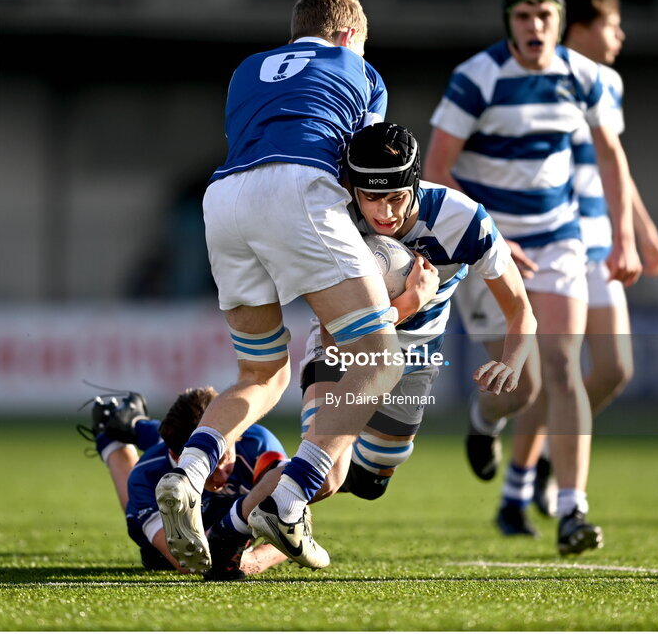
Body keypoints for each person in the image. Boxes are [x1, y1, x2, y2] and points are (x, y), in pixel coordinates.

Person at [186, 123, 536, 575]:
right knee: (326, 473)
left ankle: (269, 506)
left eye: (396, 198)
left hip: (417, 356)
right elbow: (341, 332)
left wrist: (512, 361)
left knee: (370, 481)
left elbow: (521, 310)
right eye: (372, 198)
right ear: (353, 188)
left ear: (415, 185)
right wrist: (410, 301)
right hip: (340, 345)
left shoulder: (464, 221)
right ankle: (228, 535)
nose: (384, 214)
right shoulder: (332, 217)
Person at [154, 0, 404, 574]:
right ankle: (293, 495)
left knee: (261, 370)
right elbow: (363, 169)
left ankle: (188, 473)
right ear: (349, 35)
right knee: (381, 358)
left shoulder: (249, 68)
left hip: (224, 198)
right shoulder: (360, 72)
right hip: (300, 186)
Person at [424, 0, 641, 556]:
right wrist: (487, 231)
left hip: (558, 239)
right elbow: (436, 170)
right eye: (523, 17)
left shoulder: (583, 77)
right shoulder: (478, 78)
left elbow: (612, 158)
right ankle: (483, 418)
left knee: (561, 363)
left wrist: (624, 237)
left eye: (545, 17)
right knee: (519, 388)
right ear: (509, 23)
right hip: (487, 242)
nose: (535, 27)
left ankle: (572, 508)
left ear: (559, 23)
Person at [490, 0, 658, 526]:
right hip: (563, 242)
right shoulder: (538, 81)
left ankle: (539, 462)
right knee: (559, 371)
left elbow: (614, 166)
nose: (619, 35)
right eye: (610, 25)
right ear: (580, 30)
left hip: (602, 240)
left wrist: (640, 233)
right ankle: (520, 488)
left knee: (614, 369)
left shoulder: (605, 83)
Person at [81, 389, 288, 580]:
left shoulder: (258, 446)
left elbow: (294, 519)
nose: (218, 478)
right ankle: (110, 440)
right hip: (163, 536)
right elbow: (187, 562)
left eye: (223, 460)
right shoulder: (146, 475)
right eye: (208, 470)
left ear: (236, 435)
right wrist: (237, 559)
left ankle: (133, 425)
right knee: (145, 523)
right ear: (175, 456)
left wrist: (255, 561)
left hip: (190, 464)